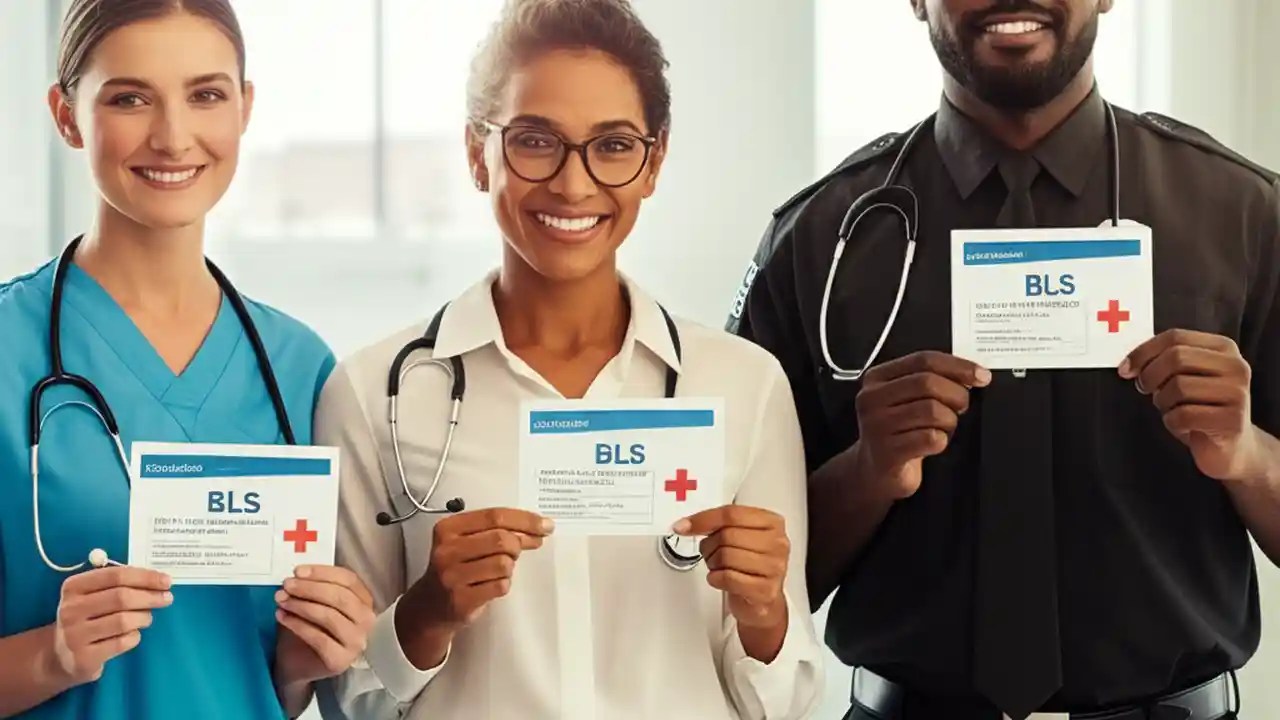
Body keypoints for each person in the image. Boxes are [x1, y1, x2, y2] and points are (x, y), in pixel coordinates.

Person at [729, 0, 1280, 719]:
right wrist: (867, 473)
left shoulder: (1245, 215)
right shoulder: (817, 239)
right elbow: (741, 575)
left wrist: (1248, 457)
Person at [311, 0, 824, 718]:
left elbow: (789, 703)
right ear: (474, 153)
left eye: (613, 145)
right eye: (534, 141)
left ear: (655, 161)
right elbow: (348, 699)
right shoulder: (373, 395)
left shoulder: (743, 386)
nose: (574, 184)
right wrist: (426, 614)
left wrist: (767, 615)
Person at [0, 1, 376, 718]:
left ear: (244, 108)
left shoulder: (300, 367)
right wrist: (53, 655)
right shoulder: (5, 350)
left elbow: (263, 681)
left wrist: (301, 664)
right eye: (130, 98)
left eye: (206, 95)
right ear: (66, 115)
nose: (173, 137)